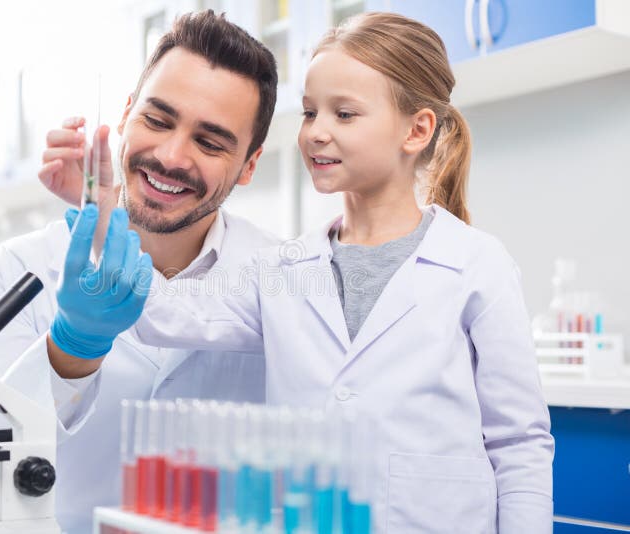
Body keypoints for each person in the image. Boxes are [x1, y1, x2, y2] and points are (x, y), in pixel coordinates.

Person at [62, 12, 554, 533]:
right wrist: (102, 212)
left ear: (417, 130)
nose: (316, 133)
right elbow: (166, 316)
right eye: (309, 113)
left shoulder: (476, 264)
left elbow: (519, 441)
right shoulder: (281, 271)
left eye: (344, 115)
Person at [0, 11, 280, 534]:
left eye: (210, 142)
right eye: (158, 120)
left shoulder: (281, 278)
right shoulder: (20, 269)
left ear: (250, 164)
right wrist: (70, 353)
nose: (170, 156)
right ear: (125, 114)